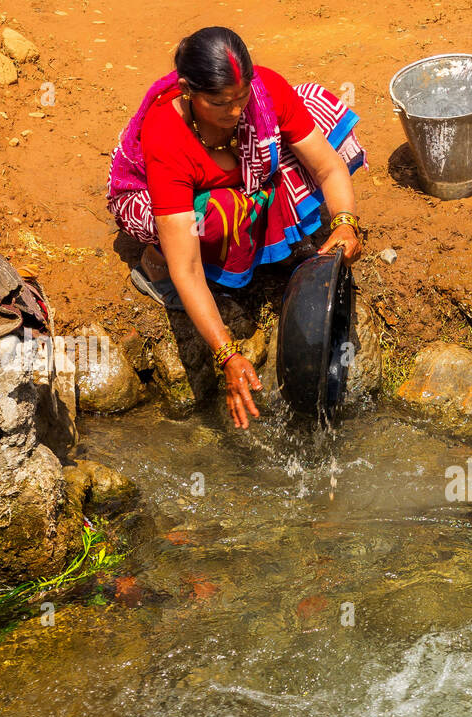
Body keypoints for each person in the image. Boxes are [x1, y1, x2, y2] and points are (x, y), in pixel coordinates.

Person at [107, 26, 367, 427]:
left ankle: (260, 241)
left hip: (240, 183)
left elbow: (328, 166)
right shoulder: (166, 134)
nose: (234, 112)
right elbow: (188, 269)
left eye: (241, 97)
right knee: (214, 216)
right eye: (218, 103)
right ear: (188, 91)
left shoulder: (265, 93)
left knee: (314, 110)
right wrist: (226, 352)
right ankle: (152, 268)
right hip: (157, 206)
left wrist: (346, 224)